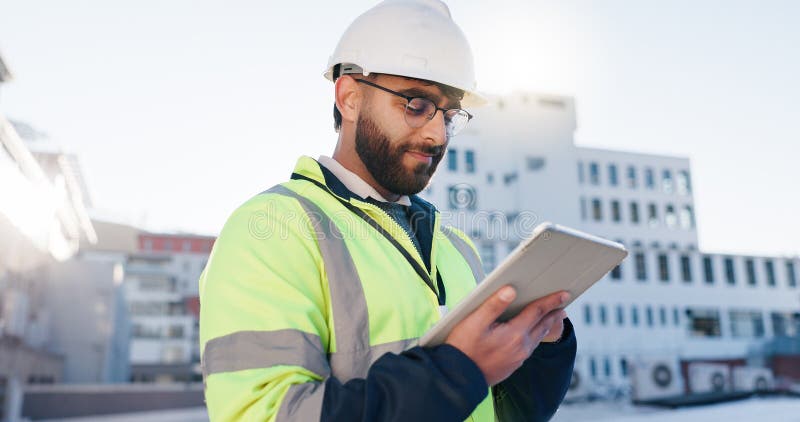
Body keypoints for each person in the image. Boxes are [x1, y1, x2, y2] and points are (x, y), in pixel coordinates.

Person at [199, 1, 576, 420]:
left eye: (450, 116)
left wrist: (543, 347)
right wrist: (457, 372)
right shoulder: (268, 230)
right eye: (416, 104)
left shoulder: (456, 248)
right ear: (350, 97)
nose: (437, 134)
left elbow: (499, 413)